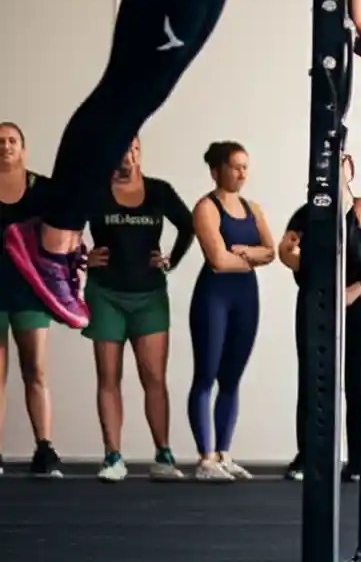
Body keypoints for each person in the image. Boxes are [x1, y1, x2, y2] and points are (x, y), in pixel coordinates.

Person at [3, 0, 361, 329]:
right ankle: (52, 238)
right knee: (129, 97)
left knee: (129, 94)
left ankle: (49, 228)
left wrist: (357, 13)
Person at [83, 137, 194, 482]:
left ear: (140, 152)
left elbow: (188, 224)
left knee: (155, 378)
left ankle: (163, 454)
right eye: (122, 147)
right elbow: (60, 225)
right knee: (108, 376)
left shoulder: (159, 190)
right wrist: (80, 258)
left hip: (149, 296)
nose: (127, 154)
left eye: (134, 148)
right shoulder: (94, 190)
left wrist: (171, 260)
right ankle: (113, 456)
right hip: (106, 294)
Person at [188, 141, 274, 481]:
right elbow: (218, 260)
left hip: (246, 298)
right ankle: (206, 459)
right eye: (236, 166)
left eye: (245, 166)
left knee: (232, 377)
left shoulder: (253, 208)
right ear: (216, 170)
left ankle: (224, 453)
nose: (242, 173)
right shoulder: (205, 208)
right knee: (206, 374)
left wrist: (246, 254)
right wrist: (250, 257)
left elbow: (271, 252)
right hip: (214, 297)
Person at [279, 153, 361, 482]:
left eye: (339, 164)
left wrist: (354, 291)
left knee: (359, 381)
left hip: (359, 304)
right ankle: (310, 457)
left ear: (350, 170)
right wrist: (290, 256)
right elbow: (291, 256)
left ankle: (359, 461)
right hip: (316, 304)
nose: (330, 170)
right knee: (315, 380)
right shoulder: (307, 214)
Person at [0, 122, 62, 477]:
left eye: (12, 141)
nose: (6, 146)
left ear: (23, 148)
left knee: (35, 370)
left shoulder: (43, 189)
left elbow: (64, 231)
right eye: (0, 141)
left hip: (30, 291)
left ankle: (44, 449)